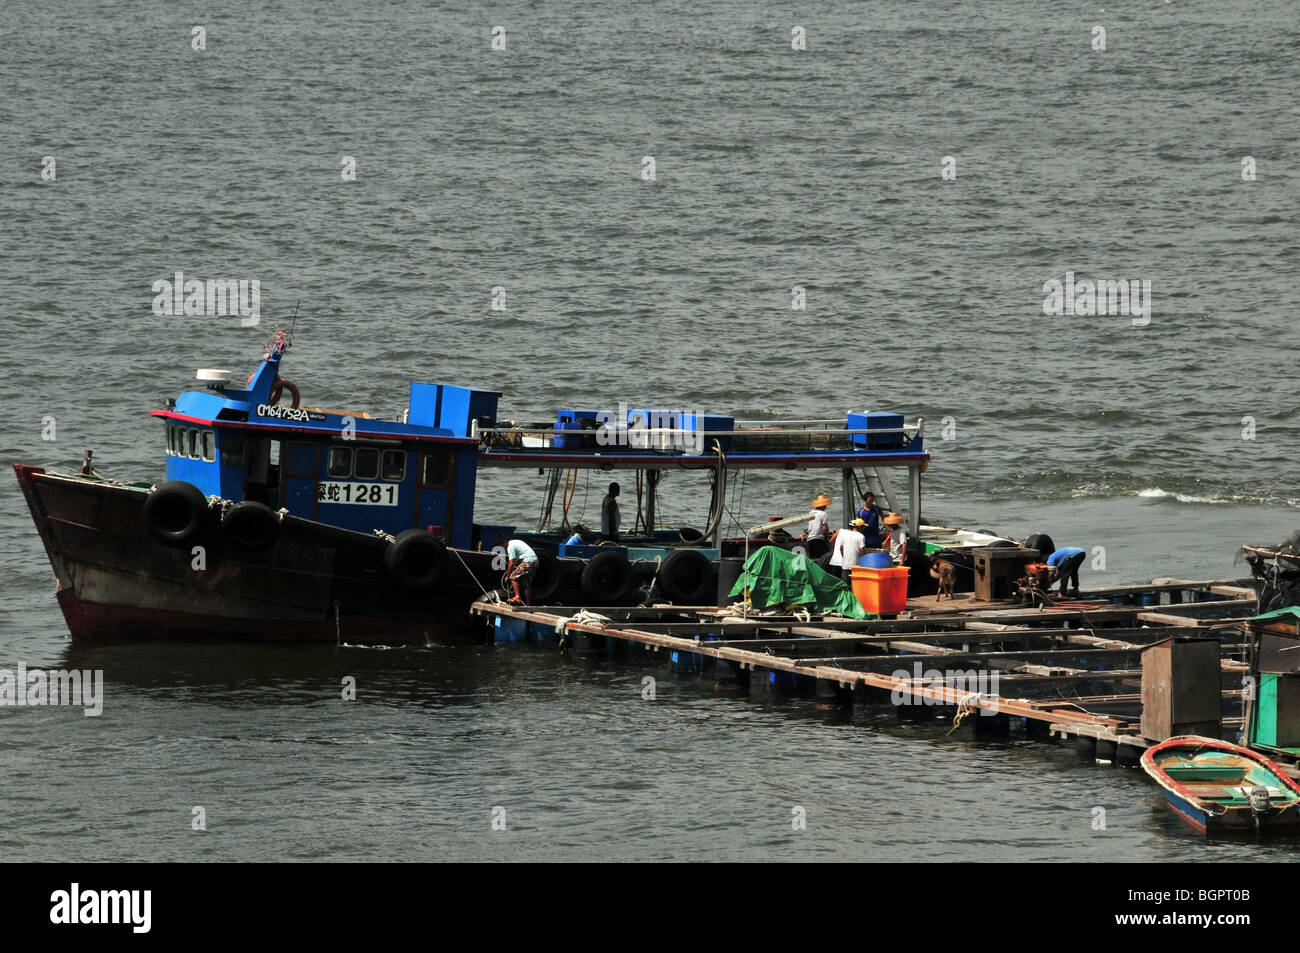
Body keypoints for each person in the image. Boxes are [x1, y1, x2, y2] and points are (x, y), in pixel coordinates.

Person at [497, 534, 539, 605]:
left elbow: (511, 563)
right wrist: (515, 568)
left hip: (528, 561)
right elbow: (515, 561)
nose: (503, 547)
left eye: (501, 545)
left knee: (513, 577)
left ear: (504, 541)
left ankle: (517, 597)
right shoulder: (515, 542)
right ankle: (528, 605)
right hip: (535, 561)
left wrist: (508, 576)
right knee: (527, 584)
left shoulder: (510, 546)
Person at [829, 518, 868, 584]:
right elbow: (862, 550)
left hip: (845, 565)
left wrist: (844, 557)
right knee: (855, 585)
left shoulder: (846, 535)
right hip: (855, 566)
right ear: (860, 527)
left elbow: (841, 548)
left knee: (845, 585)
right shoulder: (861, 536)